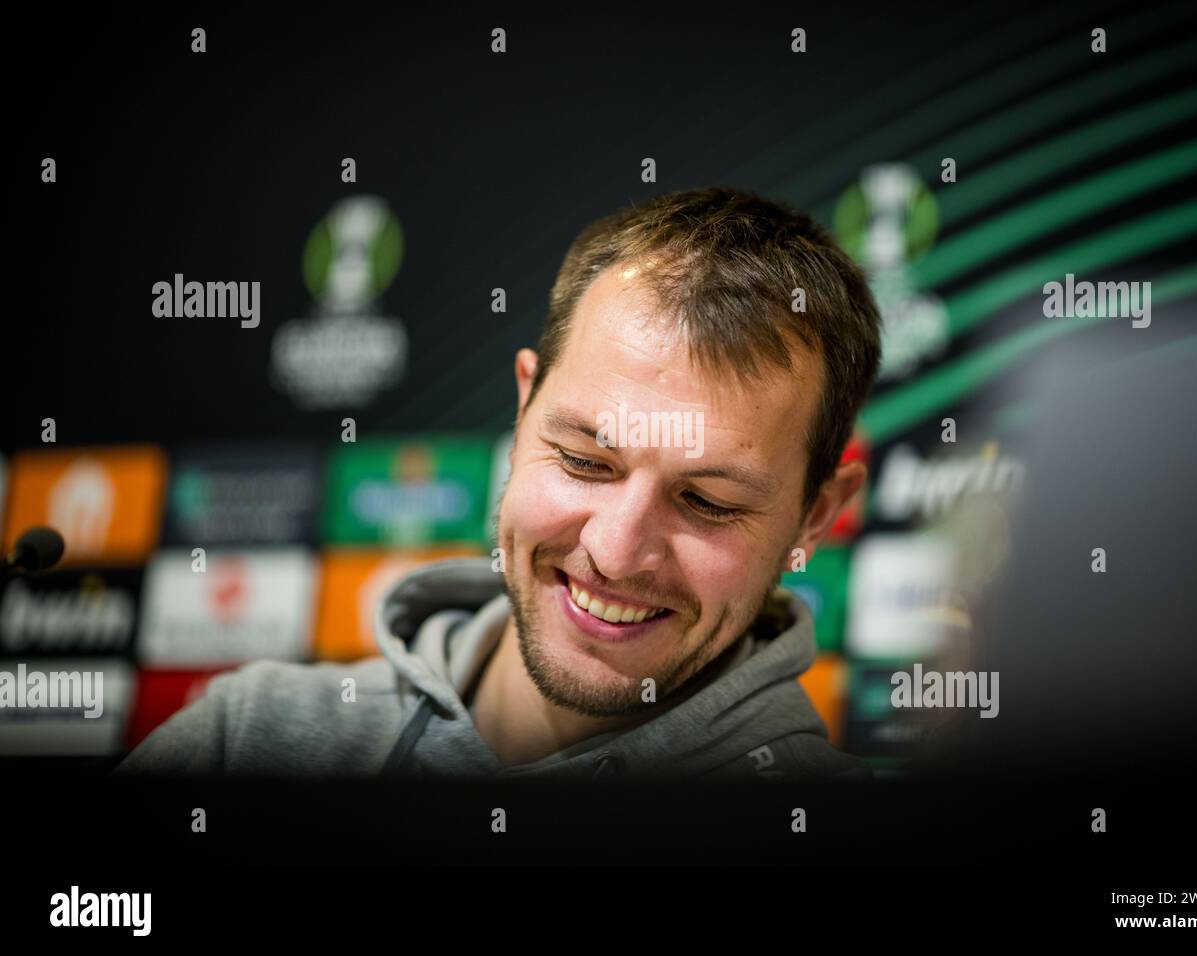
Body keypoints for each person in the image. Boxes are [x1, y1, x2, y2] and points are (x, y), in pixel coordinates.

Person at [116, 186, 882, 782]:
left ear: (814, 518)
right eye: (585, 460)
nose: (614, 552)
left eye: (707, 501)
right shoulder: (251, 739)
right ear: (523, 412)